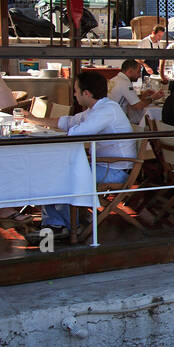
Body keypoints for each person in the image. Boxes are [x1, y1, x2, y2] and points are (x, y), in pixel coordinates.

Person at [26, 70, 138, 235]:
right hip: (105, 165)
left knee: (58, 176)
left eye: (76, 91)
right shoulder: (97, 108)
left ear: (86, 93)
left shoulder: (107, 110)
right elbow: (69, 122)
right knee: (53, 173)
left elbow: (79, 131)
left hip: (114, 171)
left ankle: (62, 224)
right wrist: (33, 119)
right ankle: (55, 222)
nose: (74, 94)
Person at [108, 58, 159, 125]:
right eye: (138, 72)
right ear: (130, 71)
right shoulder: (125, 83)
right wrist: (153, 98)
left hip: (110, 117)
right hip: (117, 121)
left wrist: (142, 95)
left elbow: (129, 100)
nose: (140, 75)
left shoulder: (115, 79)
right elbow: (138, 106)